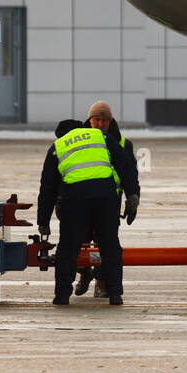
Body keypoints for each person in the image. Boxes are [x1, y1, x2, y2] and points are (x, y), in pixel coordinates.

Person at [37, 116, 137, 306]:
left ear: (60, 134)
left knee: (67, 249)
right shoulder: (101, 137)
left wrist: (43, 221)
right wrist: (132, 196)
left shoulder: (57, 146)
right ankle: (115, 295)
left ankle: (62, 296)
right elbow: (125, 165)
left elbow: (47, 188)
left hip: (74, 201)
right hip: (105, 198)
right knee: (110, 247)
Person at [75, 100, 140, 299]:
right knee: (82, 239)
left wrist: (133, 197)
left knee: (106, 241)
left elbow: (130, 173)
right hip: (83, 197)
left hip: (111, 198)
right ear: (90, 120)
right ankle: (85, 273)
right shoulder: (79, 139)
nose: (101, 124)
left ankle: (102, 281)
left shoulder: (123, 144)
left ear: (110, 122)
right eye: (97, 120)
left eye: (104, 120)